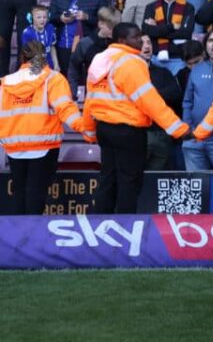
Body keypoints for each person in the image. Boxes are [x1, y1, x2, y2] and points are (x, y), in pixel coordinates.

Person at [82, 21, 190, 213]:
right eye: (136, 37)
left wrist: (89, 131)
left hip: (104, 129)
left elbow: (91, 98)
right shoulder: (132, 62)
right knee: (129, 182)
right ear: (122, 40)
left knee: (108, 179)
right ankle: (125, 229)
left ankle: (97, 226)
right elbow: (149, 100)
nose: (141, 41)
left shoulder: (101, 58)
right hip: (128, 130)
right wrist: (178, 128)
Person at [0, 39, 91, 214]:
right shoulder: (53, 79)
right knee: (37, 193)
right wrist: (84, 128)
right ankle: (32, 235)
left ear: (22, 58)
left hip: (13, 147)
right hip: (44, 146)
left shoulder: (6, 82)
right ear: (44, 57)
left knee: (19, 193)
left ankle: (20, 236)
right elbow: (65, 109)